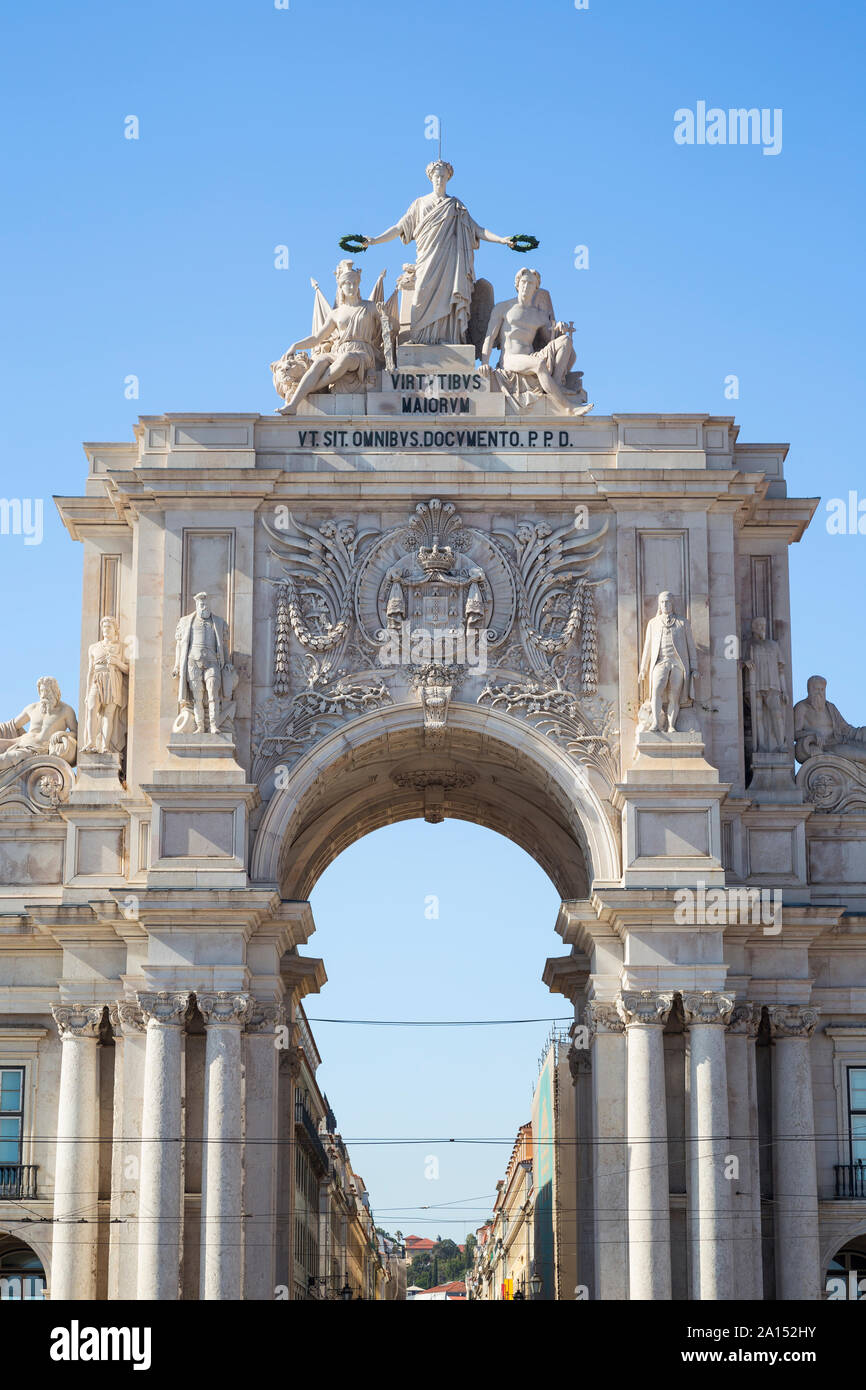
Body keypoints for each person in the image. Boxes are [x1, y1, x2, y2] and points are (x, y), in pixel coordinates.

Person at [361, 160, 517, 345]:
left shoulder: (455, 205)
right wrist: (375, 240)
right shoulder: (419, 204)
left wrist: (502, 239)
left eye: (443, 176)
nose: (439, 179)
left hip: (450, 262)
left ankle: (449, 339)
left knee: (448, 299)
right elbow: (399, 228)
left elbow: (477, 230)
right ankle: (418, 337)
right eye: (436, 175)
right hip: (426, 259)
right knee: (420, 296)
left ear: (448, 178)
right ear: (430, 177)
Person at [481, 267, 594, 415]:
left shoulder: (539, 315)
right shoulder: (503, 308)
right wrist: (484, 363)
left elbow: (550, 340)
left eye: (530, 283)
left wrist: (559, 329)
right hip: (510, 359)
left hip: (531, 357)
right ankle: (567, 406)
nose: (526, 286)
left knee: (565, 341)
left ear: (536, 288)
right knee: (539, 364)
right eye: (523, 282)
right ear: (517, 284)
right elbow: (489, 337)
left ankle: (556, 384)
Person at [277, 263, 380, 416]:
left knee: (345, 359)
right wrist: (295, 345)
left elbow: (391, 327)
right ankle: (293, 405)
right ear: (341, 287)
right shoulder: (336, 314)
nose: (351, 287)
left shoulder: (371, 307)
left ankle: (310, 389)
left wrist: (386, 317)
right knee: (319, 361)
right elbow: (317, 338)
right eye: (347, 284)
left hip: (362, 353)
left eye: (354, 284)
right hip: (340, 351)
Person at [638, 592, 698, 733]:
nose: (665, 605)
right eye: (662, 602)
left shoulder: (682, 622)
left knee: (674, 696)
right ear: (659, 604)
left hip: (677, 663)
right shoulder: (653, 623)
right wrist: (643, 669)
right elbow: (647, 647)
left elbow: (691, 646)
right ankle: (656, 723)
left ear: (672, 603)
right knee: (656, 691)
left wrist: (694, 667)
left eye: (667, 602)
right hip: (660, 662)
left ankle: (671, 725)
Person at [173, 592, 230, 734]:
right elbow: (179, 645)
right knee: (197, 697)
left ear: (210, 605)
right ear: (197, 605)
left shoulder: (219, 622)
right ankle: (200, 726)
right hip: (193, 662)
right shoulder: (186, 621)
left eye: (206, 604)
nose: (203, 607)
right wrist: (177, 665)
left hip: (212, 662)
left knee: (213, 693)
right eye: (201, 604)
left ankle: (214, 725)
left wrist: (227, 662)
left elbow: (224, 645)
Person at [0, 677, 77, 766]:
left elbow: (76, 733)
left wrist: (63, 734)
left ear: (55, 691)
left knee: (4, 759)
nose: (43, 695)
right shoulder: (32, 708)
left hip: (37, 750)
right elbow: (11, 725)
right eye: (41, 691)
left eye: (47, 691)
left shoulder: (66, 711)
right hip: (19, 742)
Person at [794, 675, 866, 764]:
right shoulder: (802, 708)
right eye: (816, 689)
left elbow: (846, 729)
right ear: (809, 690)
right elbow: (794, 733)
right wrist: (812, 734)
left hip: (841, 740)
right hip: (826, 746)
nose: (819, 693)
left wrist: (862, 732)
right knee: (863, 755)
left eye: (822, 690)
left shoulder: (830, 707)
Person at [84, 616, 129, 754]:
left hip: (113, 679)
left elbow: (127, 669)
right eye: (104, 627)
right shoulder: (94, 647)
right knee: (92, 709)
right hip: (97, 680)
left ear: (115, 629)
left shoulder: (121, 647)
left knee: (108, 715)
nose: (105, 629)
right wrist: (87, 693)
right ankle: (90, 742)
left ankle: (105, 746)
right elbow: (90, 671)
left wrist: (117, 662)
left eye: (109, 627)